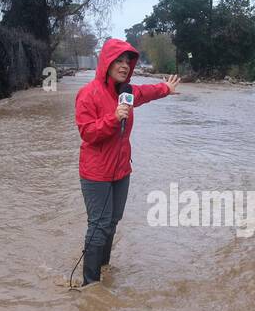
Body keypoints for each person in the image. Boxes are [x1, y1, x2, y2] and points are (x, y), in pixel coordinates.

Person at [73, 38, 180, 287]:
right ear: (107, 62)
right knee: (99, 225)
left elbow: (146, 93)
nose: (124, 65)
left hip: (121, 170)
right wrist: (112, 118)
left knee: (112, 220)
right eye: (119, 60)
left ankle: (103, 266)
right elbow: (87, 133)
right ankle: (91, 284)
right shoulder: (88, 93)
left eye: (127, 61)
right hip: (95, 172)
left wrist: (165, 88)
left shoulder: (127, 92)